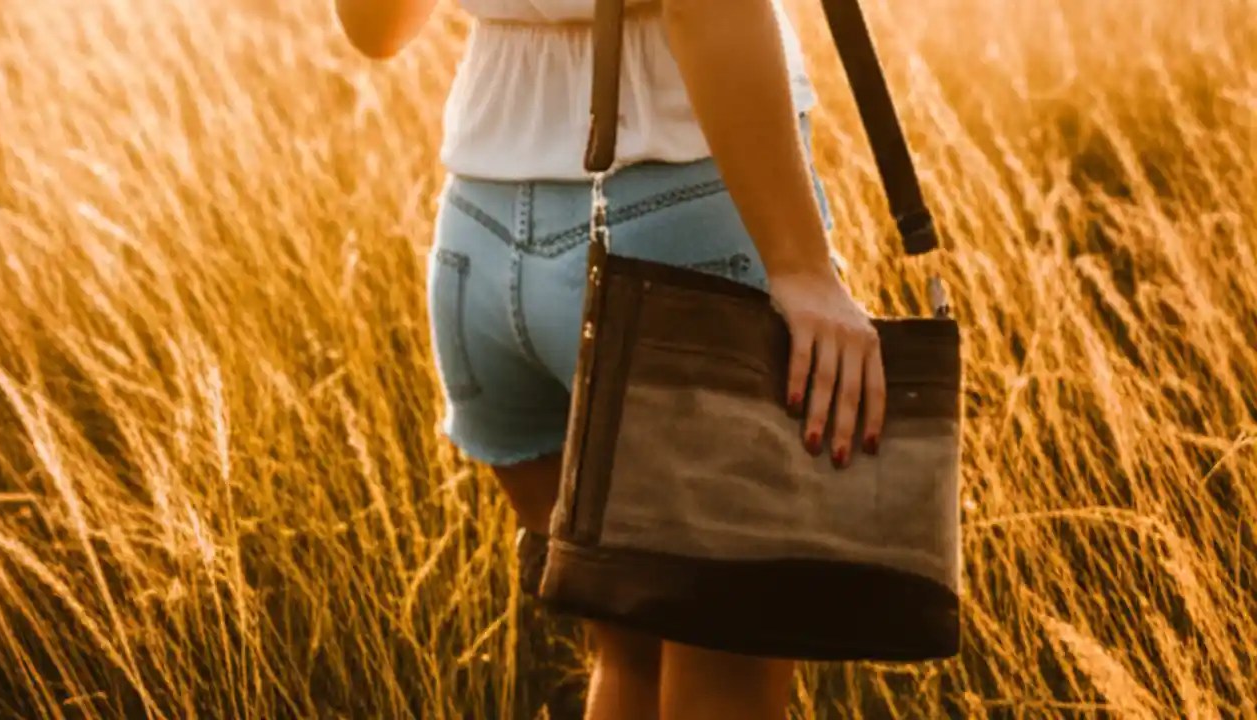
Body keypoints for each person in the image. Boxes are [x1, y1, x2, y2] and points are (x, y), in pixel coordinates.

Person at [335, 0, 887, 717]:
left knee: (631, 657)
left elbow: (373, 30)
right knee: (723, 671)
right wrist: (803, 267)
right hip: (673, 220)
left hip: (480, 233)